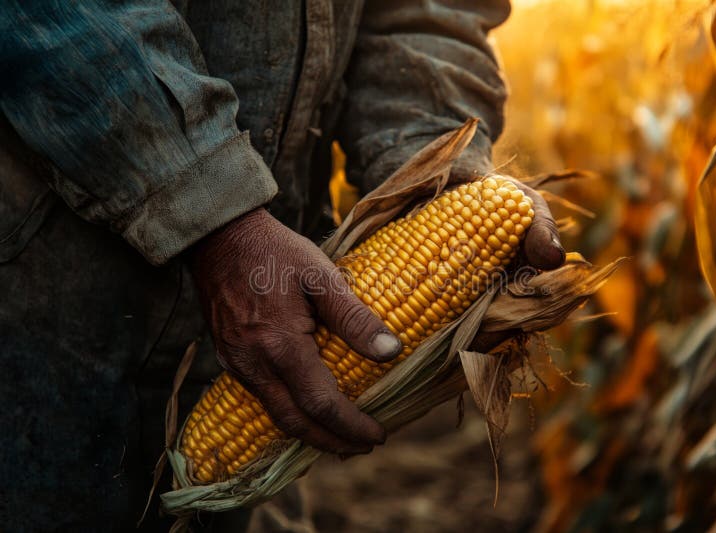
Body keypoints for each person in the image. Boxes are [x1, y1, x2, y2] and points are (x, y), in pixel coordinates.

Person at [0, 1, 564, 530]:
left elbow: (424, 11)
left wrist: (434, 173)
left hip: (285, 277)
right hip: (48, 280)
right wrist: (214, 211)